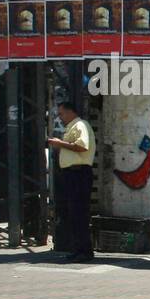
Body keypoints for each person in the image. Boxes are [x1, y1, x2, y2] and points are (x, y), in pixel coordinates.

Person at [46, 102, 94, 263]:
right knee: (73, 214)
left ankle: (84, 251)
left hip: (78, 173)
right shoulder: (73, 127)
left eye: (62, 114)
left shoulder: (80, 125)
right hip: (72, 174)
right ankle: (78, 249)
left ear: (70, 112)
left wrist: (59, 144)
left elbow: (82, 147)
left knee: (79, 213)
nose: (61, 117)